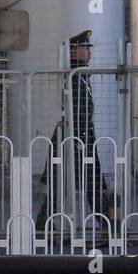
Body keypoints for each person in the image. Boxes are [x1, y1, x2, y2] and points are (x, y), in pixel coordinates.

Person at [35, 29, 114, 227]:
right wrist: (80, 141)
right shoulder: (75, 76)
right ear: (73, 51)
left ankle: (109, 224)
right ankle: (42, 227)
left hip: (81, 137)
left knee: (90, 182)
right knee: (62, 184)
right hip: (74, 138)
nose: (89, 52)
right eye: (84, 48)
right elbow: (76, 112)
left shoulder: (81, 76)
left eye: (89, 48)